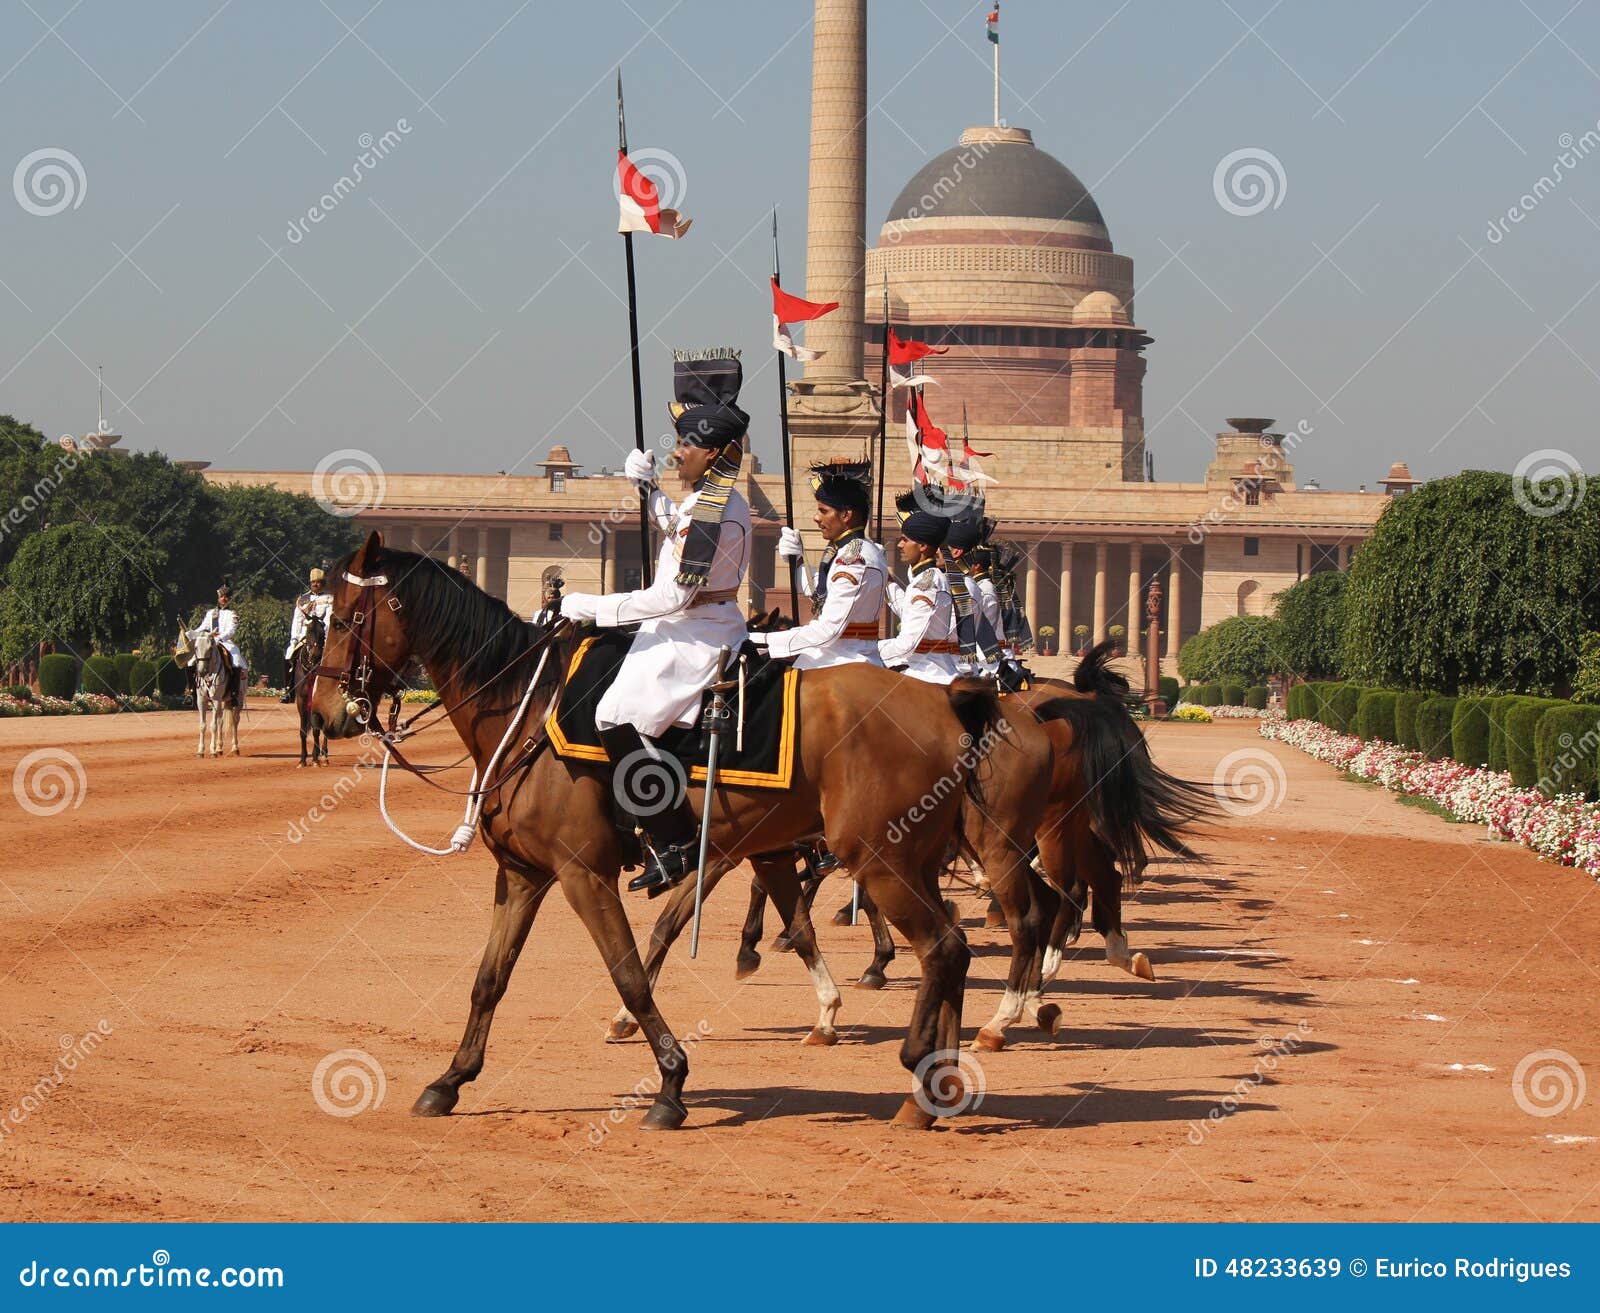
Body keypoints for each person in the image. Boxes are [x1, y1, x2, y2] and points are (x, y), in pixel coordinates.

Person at [558, 351, 752, 895]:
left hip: (694, 630)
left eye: (688, 444)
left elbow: (672, 594)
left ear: (713, 451)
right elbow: (678, 532)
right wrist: (649, 492)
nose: (679, 453)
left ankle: (672, 837)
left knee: (613, 713)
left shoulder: (711, 508)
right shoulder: (709, 500)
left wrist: (591, 607)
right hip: (693, 622)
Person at [749, 459, 885, 670]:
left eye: (823, 511)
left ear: (846, 515)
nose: (815, 517)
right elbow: (821, 594)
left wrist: (761, 641)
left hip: (842, 660)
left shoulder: (853, 560)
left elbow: (827, 630)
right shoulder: (848, 551)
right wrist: (798, 560)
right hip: (836, 655)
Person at [879, 490, 960, 684]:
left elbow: (907, 644)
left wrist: (867, 650)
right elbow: (909, 612)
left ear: (923, 546)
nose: (900, 545)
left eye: (905, 540)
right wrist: (887, 583)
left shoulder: (927, 582)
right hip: (923, 669)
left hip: (926, 673)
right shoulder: (926, 577)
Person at [943, 508, 1003, 677]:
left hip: (958, 665)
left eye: (941, 546)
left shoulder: (973, 588)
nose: (937, 551)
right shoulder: (956, 582)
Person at [281, 566, 334, 701]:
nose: (316, 584)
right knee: (289, 653)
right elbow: (297, 621)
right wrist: (294, 638)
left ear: (323, 583)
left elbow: (328, 619)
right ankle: (288, 690)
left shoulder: (329, 599)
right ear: (310, 583)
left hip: (322, 635)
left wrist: (325, 635)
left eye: (319, 582)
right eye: (314, 582)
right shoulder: (302, 599)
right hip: (305, 636)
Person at [192, 585, 247, 694]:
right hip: (210, 642)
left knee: (236, 661)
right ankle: (191, 692)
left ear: (229, 599)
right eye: (221, 596)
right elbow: (203, 627)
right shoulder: (211, 613)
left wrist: (219, 638)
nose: (223, 599)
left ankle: (234, 693)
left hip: (226, 642)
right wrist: (191, 633)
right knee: (192, 661)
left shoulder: (233, 614)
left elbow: (231, 631)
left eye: (226, 596)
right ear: (218, 598)